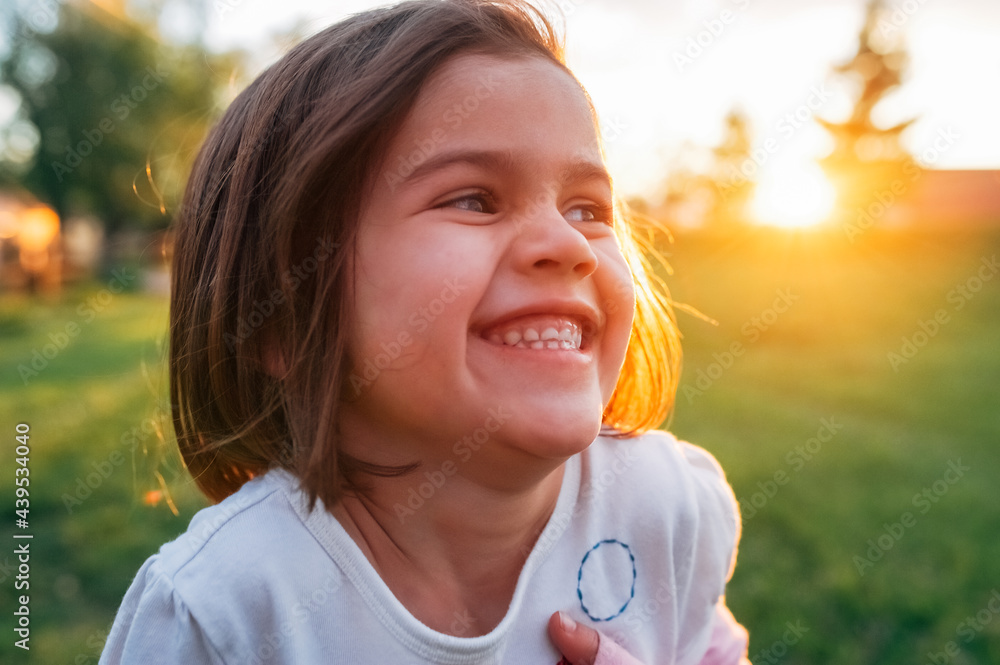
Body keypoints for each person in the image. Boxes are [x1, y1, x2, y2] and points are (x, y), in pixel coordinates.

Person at [99, 1, 750, 663]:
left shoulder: (667, 507)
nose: (567, 242)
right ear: (285, 317)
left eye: (586, 207)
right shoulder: (224, 612)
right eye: (473, 198)